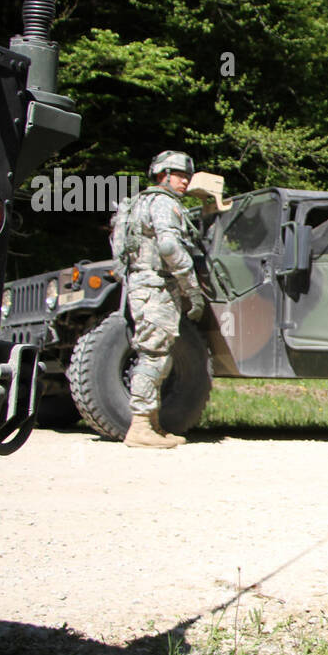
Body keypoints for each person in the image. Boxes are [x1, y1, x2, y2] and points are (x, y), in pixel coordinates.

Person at [111, 150, 206, 449]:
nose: (185, 182)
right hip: (157, 287)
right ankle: (139, 426)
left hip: (143, 284)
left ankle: (151, 424)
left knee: (158, 352)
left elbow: (118, 251)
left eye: (187, 176)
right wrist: (191, 287)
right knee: (154, 355)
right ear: (163, 175)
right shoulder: (164, 204)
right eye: (179, 175)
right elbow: (168, 246)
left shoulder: (137, 203)